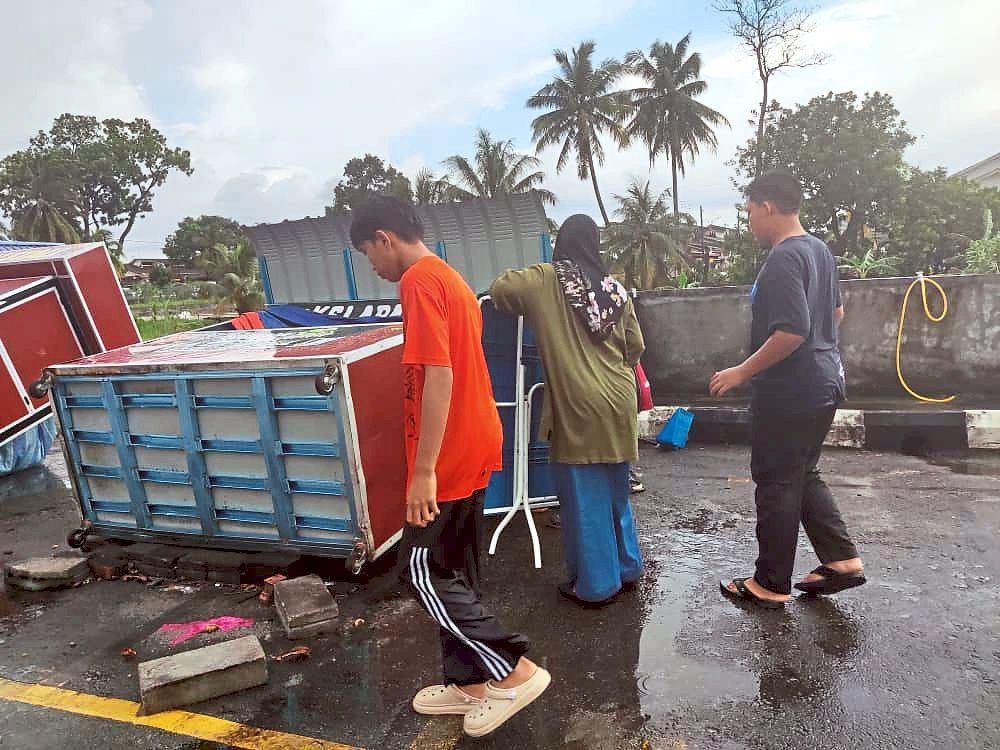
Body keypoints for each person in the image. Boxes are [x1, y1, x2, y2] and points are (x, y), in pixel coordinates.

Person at [349, 196, 550, 738]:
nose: (373, 265)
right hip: (475, 437)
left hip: (451, 450)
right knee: (455, 568)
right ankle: (469, 683)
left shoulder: (419, 281)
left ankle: (514, 671)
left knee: (420, 570)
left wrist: (423, 471)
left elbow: (438, 376)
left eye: (369, 253)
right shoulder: (450, 278)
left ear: (385, 238)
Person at [710, 170, 866, 609]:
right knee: (801, 471)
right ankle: (841, 559)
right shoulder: (819, 249)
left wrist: (742, 371)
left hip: (791, 390)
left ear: (767, 206)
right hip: (825, 381)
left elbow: (792, 331)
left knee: (777, 479)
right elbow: (836, 314)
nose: (749, 221)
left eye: (749, 212)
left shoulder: (784, 257)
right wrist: (818, 353)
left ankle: (770, 582)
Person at [490, 213, 645, 606]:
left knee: (583, 498)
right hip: (620, 398)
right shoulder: (615, 290)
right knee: (616, 491)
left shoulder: (546, 279)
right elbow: (635, 348)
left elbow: (501, 289)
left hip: (578, 404)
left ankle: (597, 586)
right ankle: (627, 568)